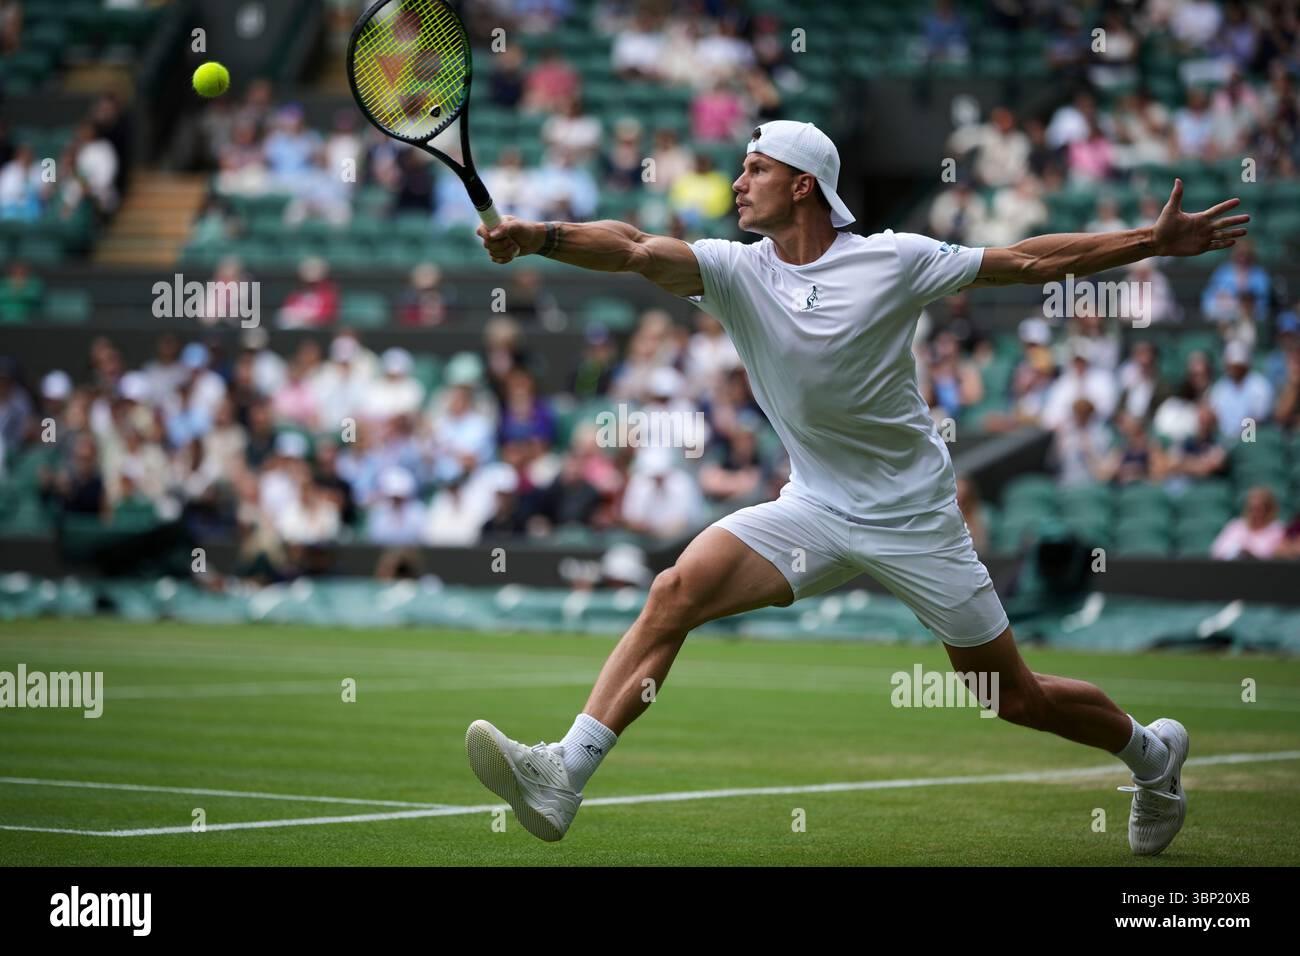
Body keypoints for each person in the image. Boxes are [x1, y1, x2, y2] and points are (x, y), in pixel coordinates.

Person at [468, 119, 1250, 854]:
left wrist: (1151, 239)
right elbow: (635, 247)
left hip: (913, 517)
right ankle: (564, 774)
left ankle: (1153, 758)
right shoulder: (737, 271)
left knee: (1013, 699)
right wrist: (540, 237)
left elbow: (1029, 261)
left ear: (804, 184)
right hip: (812, 505)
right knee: (675, 590)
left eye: (755, 168)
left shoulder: (893, 259)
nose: (738, 182)